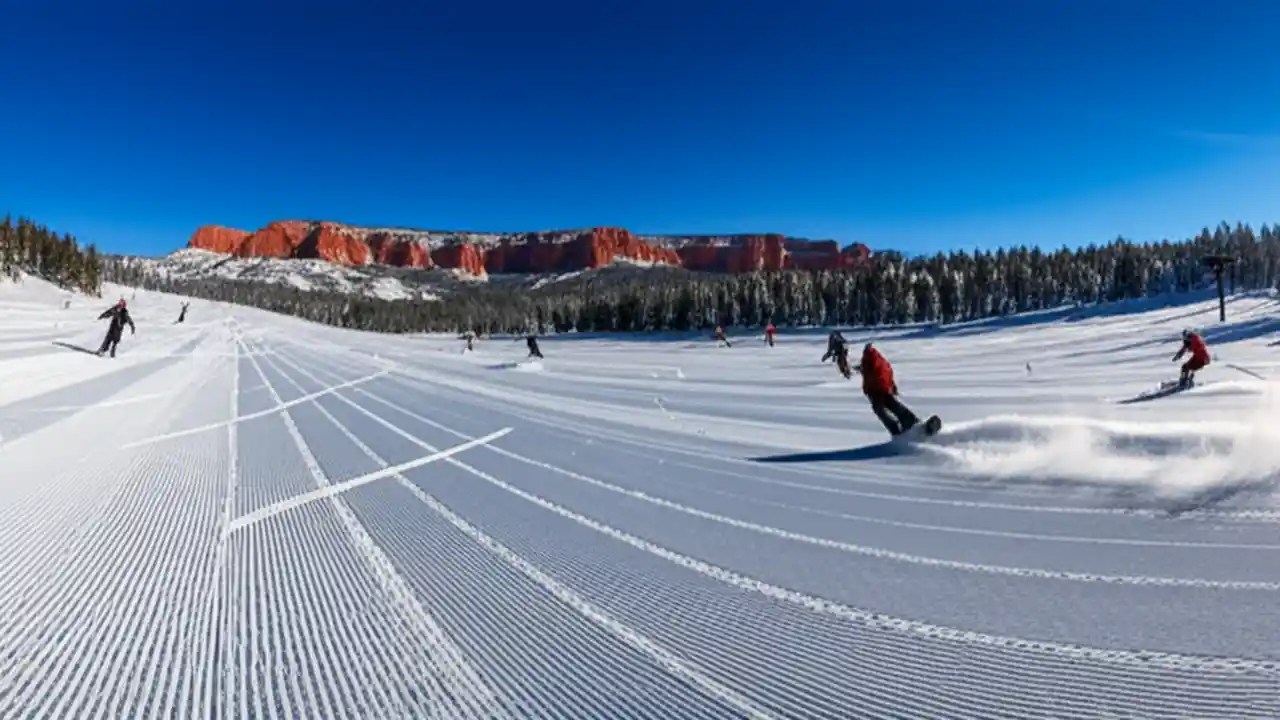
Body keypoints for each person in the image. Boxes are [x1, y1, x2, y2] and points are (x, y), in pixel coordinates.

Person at [854, 342, 919, 436]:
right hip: (882, 388)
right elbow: (886, 371)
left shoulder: (870, 359)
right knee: (892, 405)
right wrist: (892, 385)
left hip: (876, 389)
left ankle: (897, 428)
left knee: (881, 410)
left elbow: (872, 370)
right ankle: (910, 420)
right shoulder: (879, 360)